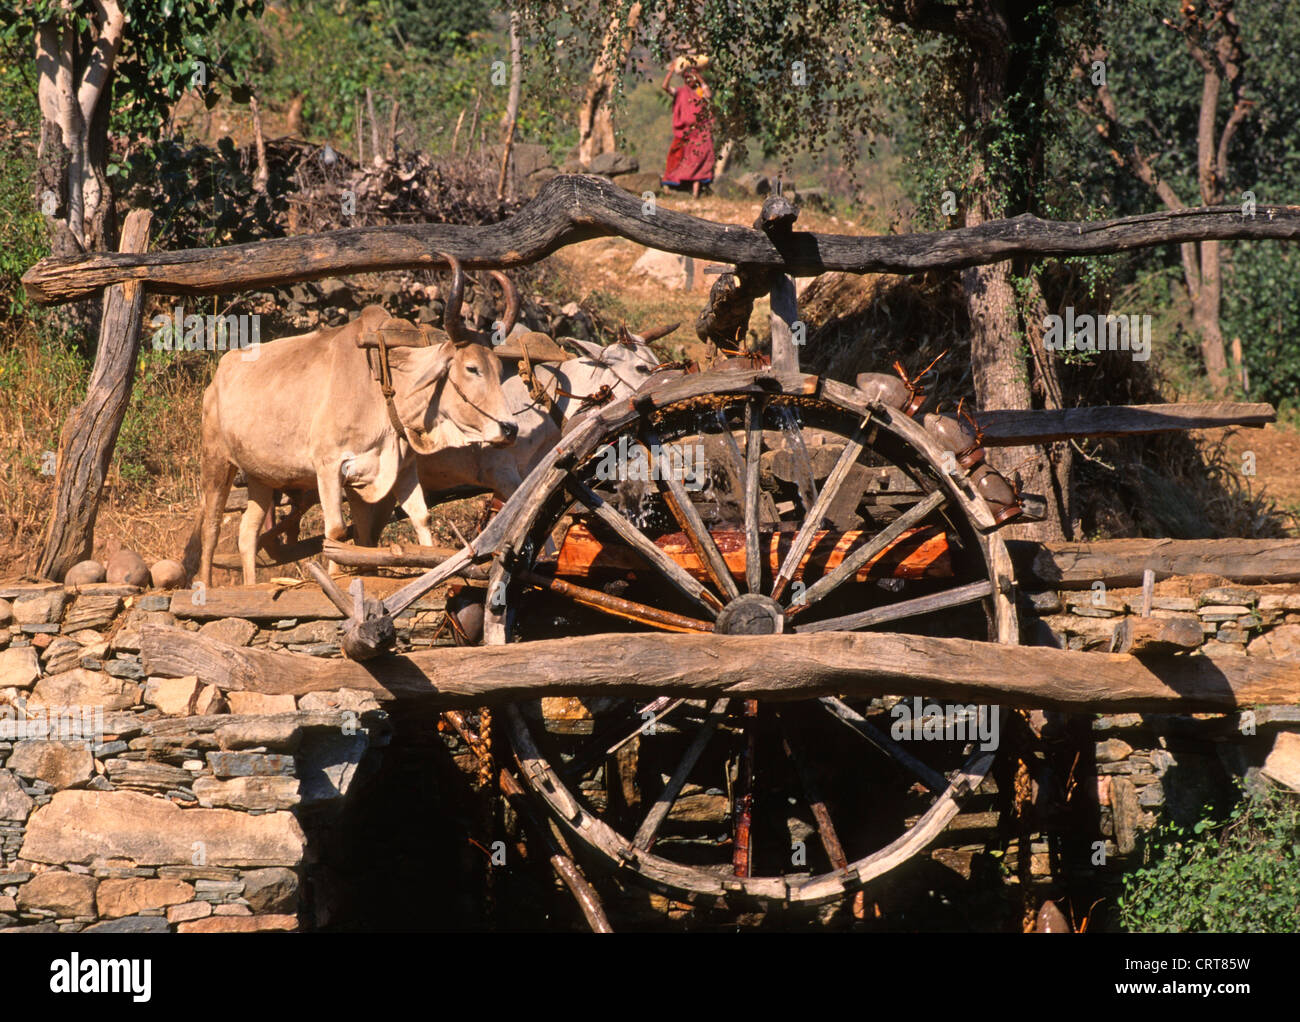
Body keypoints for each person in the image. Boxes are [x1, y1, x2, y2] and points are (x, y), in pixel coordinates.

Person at [660, 60, 715, 198]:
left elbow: (708, 94)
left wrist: (699, 76)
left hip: (700, 133)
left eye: (692, 78)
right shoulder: (680, 92)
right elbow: (665, 86)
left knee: (699, 161)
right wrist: (671, 71)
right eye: (687, 78)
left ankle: (696, 193)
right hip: (685, 133)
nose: (690, 80)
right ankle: (672, 187)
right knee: (678, 158)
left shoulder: (700, 92)